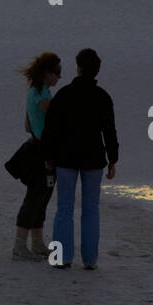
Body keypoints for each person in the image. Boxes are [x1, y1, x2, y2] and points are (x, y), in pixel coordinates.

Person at [40, 48, 118, 270]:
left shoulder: (64, 95)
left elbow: (51, 129)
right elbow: (109, 131)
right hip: (93, 158)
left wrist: (48, 155)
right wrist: (113, 159)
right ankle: (90, 259)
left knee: (64, 207)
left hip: (66, 157)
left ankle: (61, 257)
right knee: (91, 208)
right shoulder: (102, 97)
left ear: (79, 67)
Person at [11, 52, 61, 260]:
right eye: (57, 73)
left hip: (37, 148)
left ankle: (37, 243)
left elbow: (26, 125)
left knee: (41, 198)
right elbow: (54, 121)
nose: (59, 77)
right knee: (35, 198)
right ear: (47, 73)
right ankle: (20, 246)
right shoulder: (43, 95)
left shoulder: (34, 92)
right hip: (44, 152)